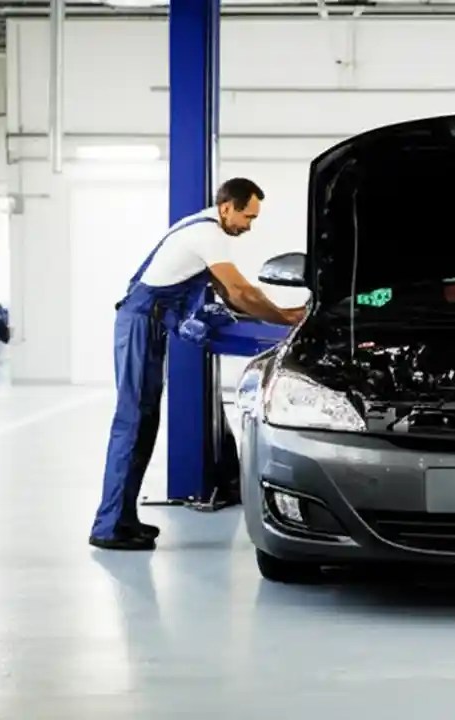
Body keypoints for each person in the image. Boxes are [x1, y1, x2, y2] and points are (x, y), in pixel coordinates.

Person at [90, 178, 305, 551]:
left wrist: (279, 316)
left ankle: (123, 520)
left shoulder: (204, 230)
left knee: (146, 421)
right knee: (133, 420)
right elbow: (240, 291)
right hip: (141, 323)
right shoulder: (209, 234)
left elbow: (229, 296)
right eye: (247, 217)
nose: (248, 226)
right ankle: (108, 526)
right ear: (227, 208)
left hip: (152, 324)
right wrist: (285, 319)